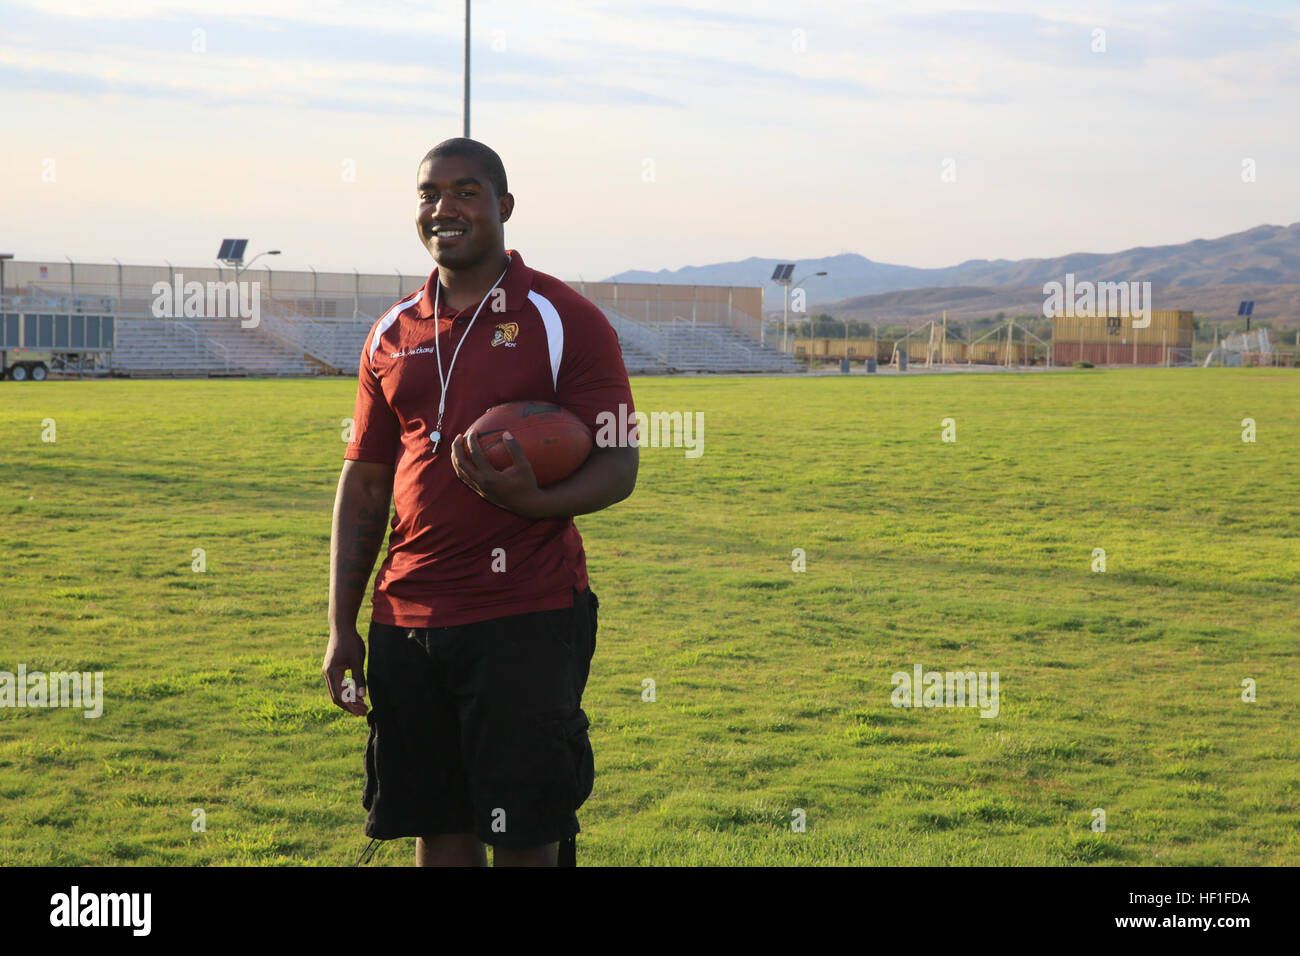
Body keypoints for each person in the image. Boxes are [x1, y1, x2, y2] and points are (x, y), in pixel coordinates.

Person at [322, 138, 638, 867]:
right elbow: (366, 480)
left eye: (466, 192)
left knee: (527, 829)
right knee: (439, 827)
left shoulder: (561, 316)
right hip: (407, 617)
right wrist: (343, 624)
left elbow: (621, 461)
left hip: (524, 613)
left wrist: (535, 500)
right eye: (430, 194)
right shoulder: (390, 331)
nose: (445, 208)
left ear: (504, 206)